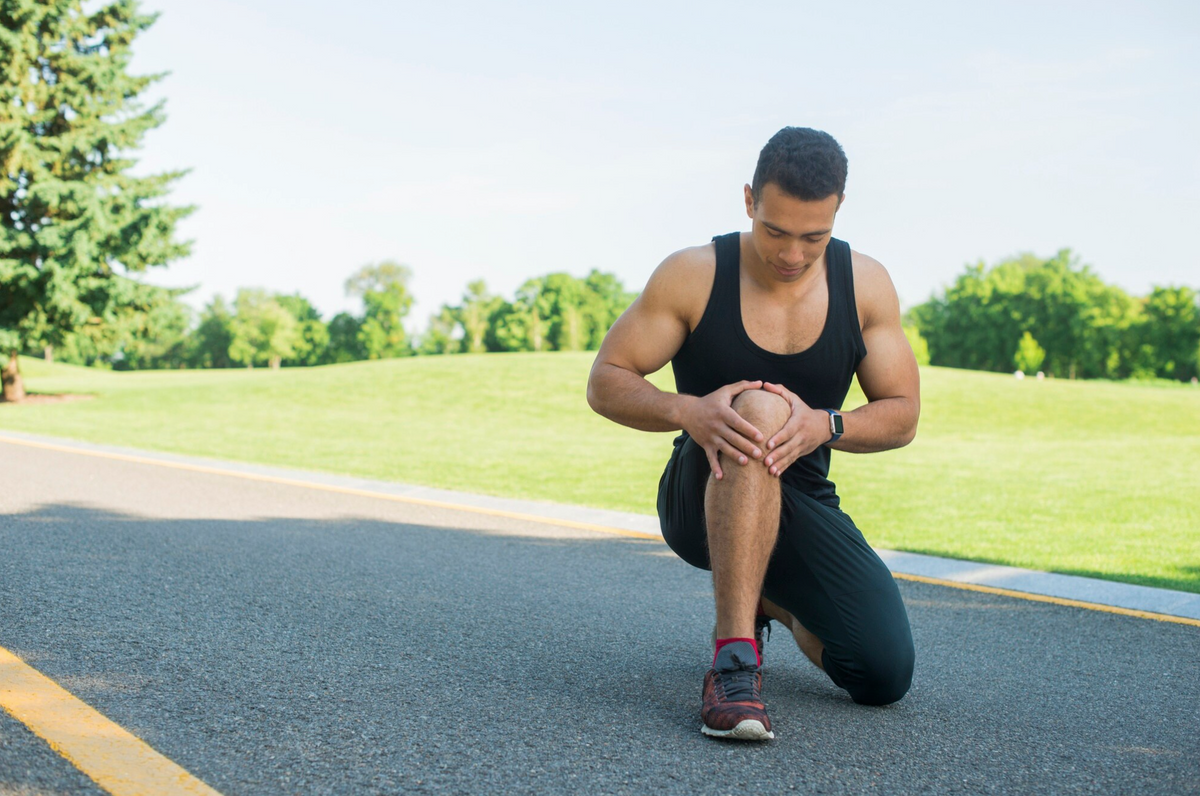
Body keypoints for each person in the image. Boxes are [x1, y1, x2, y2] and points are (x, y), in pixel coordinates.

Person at [586, 127, 920, 741]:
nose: (792, 254)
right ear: (749, 201)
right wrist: (689, 411)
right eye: (776, 231)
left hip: (802, 500)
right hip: (703, 491)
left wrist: (826, 424)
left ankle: (770, 601)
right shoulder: (694, 274)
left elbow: (902, 414)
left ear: (837, 213)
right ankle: (733, 662)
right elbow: (606, 380)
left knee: (882, 674)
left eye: (813, 237)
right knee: (757, 411)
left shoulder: (865, 284)